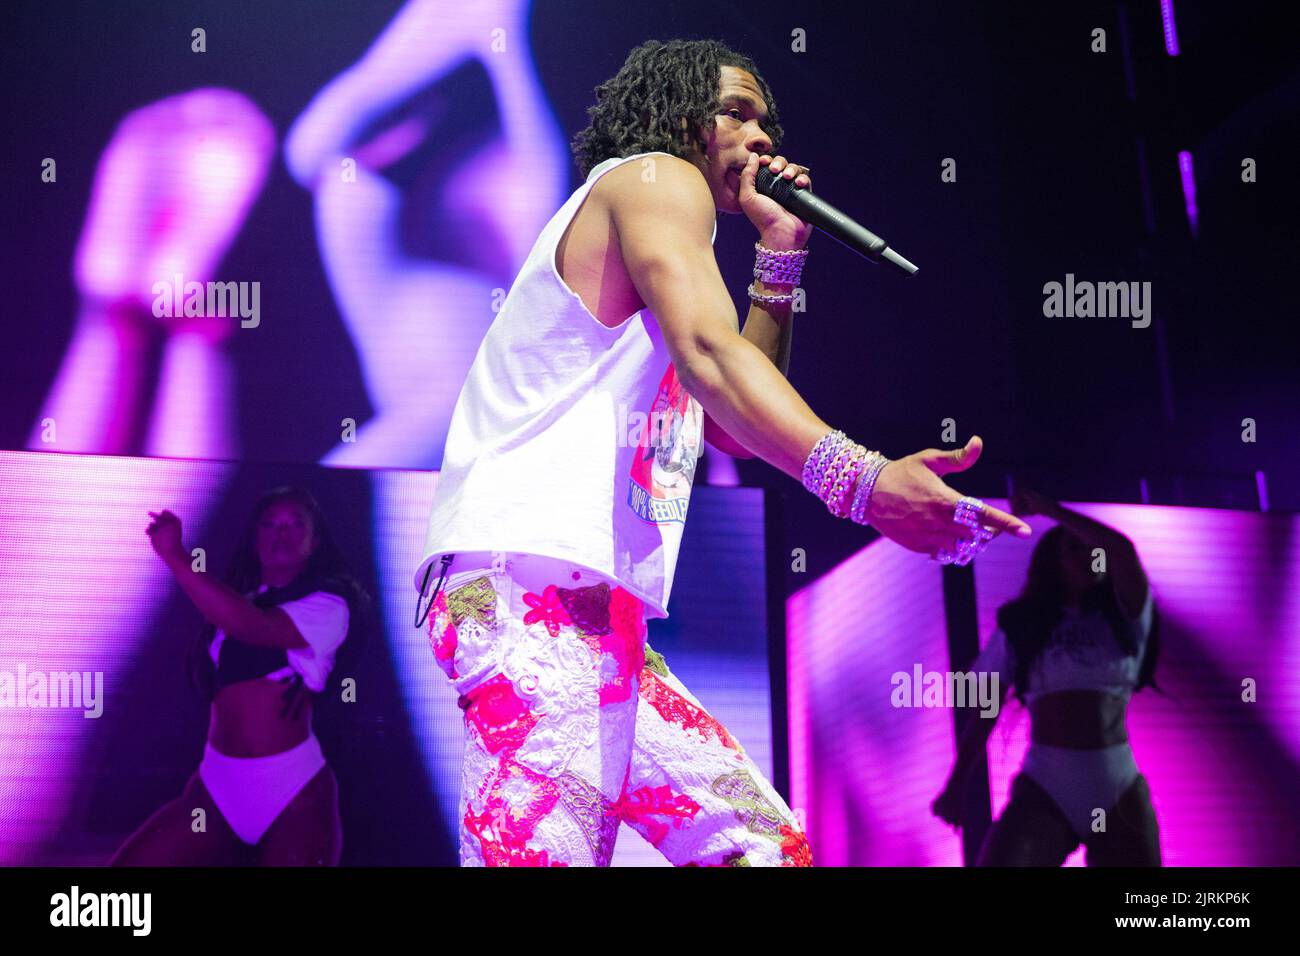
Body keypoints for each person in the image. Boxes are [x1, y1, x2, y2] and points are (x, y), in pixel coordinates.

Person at [413, 38, 1031, 867]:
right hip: (530, 585)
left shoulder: (658, 230)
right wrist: (865, 484)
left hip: (595, 610)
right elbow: (710, 353)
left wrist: (781, 255)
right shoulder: (653, 177)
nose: (762, 136)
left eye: (768, 121)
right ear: (676, 117)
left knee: (761, 851)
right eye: (736, 113)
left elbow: (733, 422)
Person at [112, 486, 368, 866]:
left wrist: (176, 557)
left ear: (314, 542)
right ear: (256, 538)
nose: (282, 534)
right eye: (270, 525)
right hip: (216, 786)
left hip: (292, 788)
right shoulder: (234, 600)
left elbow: (254, 628)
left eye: (296, 524)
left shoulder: (330, 606)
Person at [932, 489, 1162, 866]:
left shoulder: (1126, 617)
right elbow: (986, 710)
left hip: (1116, 783)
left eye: (1092, 549)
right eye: (1075, 549)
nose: (1090, 554)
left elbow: (1121, 549)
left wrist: (1052, 508)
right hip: (1048, 782)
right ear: (1055, 562)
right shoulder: (1023, 626)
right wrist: (957, 783)